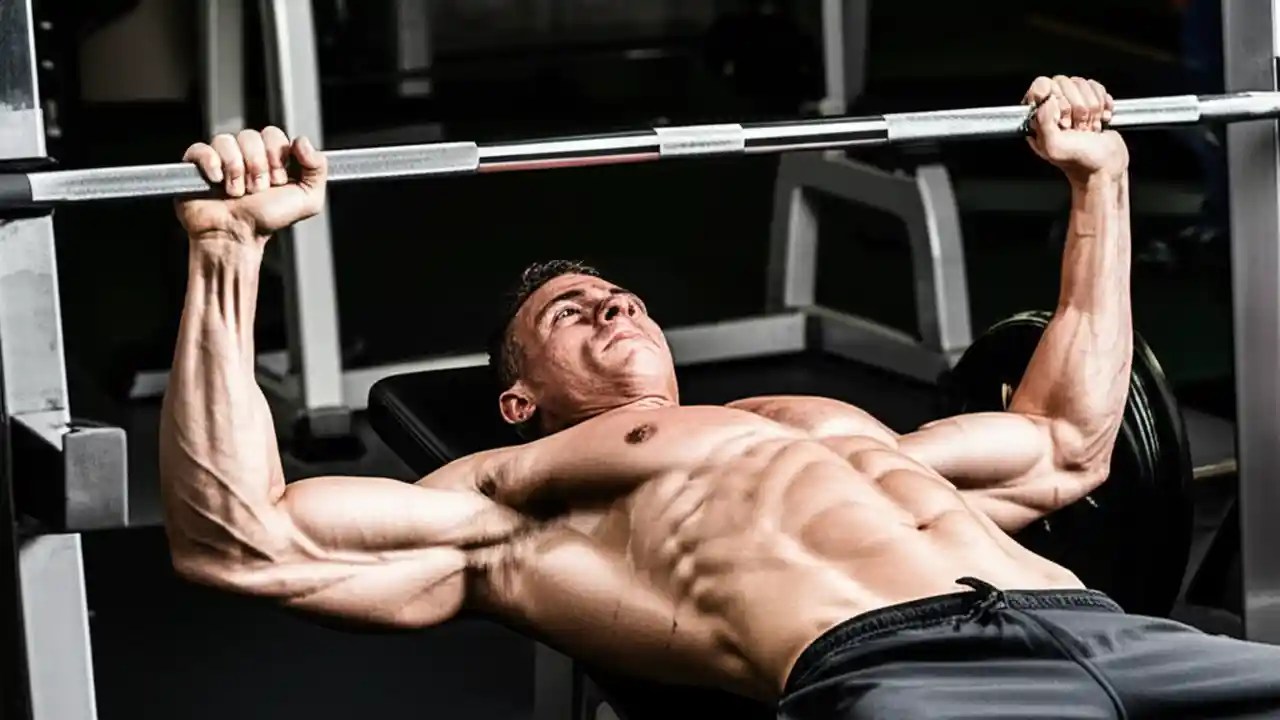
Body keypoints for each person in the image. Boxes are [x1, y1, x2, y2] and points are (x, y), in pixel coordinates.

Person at [159, 76, 1280, 719]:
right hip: (909, 678)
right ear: (514, 400)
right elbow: (242, 539)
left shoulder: (834, 432)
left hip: (1110, 628)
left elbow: (1068, 446)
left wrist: (1100, 180)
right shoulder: (513, 501)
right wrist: (227, 254)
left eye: (617, 295)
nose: (609, 307)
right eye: (566, 312)